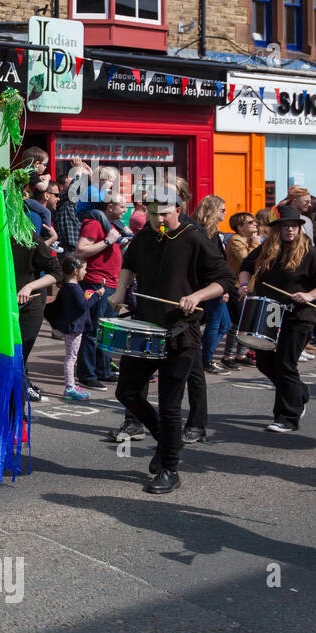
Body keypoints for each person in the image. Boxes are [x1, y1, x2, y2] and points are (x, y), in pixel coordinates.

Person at [106, 203, 235, 494]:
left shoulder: (195, 238)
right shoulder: (145, 237)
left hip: (181, 332)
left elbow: (225, 279)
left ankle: (170, 468)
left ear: (178, 210)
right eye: (152, 214)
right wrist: (120, 290)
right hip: (146, 328)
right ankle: (167, 440)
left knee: (170, 404)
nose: (158, 219)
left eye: (164, 213)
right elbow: (129, 263)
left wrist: (197, 296)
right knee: (125, 391)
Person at [237, 206, 316, 432]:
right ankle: (299, 393)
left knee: (285, 363)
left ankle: (286, 417)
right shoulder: (268, 249)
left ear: (299, 228)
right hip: (269, 313)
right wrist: (244, 285)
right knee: (265, 362)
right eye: (285, 226)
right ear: (277, 229)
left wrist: (309, 295)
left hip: (298, 316)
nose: (289, 230)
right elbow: (245, 267)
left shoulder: (311, 254)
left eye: (293, 226)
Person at [75, 194, 127, 389]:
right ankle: (88, 375)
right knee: (92, 331)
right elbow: (81, 250)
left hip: (111, 283)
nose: (124, 209)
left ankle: (103, 370)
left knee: (108, 331)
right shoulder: (94, 223)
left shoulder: (111, 225)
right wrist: (107, 241)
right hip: (97, 283)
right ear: (109, 206)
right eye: (121, 206)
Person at [14, 230, 60, 401]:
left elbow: (56, 272)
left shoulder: (29, 237)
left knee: (16, 361)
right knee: (3, 362)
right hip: (0, 311)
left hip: (27, 311)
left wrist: (29, 287)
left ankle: (18, 417)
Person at [44, 256, 96, 400]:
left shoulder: (66, 287)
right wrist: (95, 296)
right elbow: (83, 307)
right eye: (84, 269)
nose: (86, 272)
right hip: (74, 328)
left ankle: (71, 385)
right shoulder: (75, 289)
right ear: (75, 271)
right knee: (71, 358)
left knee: (71, 357)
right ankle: (70, 388)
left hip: (71, 327)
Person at [192, 196, 232, 376]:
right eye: (222, 209)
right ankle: (206, 360)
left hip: (216, 284)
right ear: (212, 210)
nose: (225, 212)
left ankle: (203, 357)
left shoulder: (211, 232)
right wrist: (221, 287)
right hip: (212, 284)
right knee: (215, 324)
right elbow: (210, 263)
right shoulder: (206, 234)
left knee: (225, 324)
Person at [221, 211, 260, 370]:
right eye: (251, 222)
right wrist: (256, 243)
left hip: (249, 286)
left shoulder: (249, 240)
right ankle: (228, 355)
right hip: (237, 286)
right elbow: (246, 260)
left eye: (255, 222)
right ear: (240, 226)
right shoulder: (235, 240)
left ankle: (241, 354)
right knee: (236, 323)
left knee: (247, 322)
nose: (255, 224)